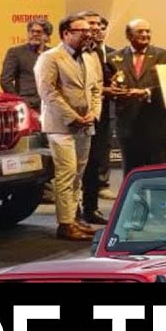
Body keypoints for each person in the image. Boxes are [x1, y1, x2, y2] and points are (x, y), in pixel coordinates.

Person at [34, 14, 101, 240]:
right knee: (66, 173)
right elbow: (48, 92)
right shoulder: (49, 57)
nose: (88, 35)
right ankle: (65, 224)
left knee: (78, 175)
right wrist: (73, 116)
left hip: (86, 125)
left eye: (89, 31)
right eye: (82, 31)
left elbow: (96, 88)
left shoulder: (91, 57)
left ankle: (74, 219)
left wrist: (94, 113)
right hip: (60, 126)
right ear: (66, 33)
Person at [112, 19, 166, 175]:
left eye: (148, 31)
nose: (145, 34)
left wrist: (147, 92)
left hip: (156, 124)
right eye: (140, 31)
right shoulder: (112, 58)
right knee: (131, 172)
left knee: (158, 172)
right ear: (128, 35)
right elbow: (107, 86)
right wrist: (112, 90)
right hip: (127, 125)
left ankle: (158, 193)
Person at [78, 10, 115, 225]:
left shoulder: (100, 53)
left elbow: (99, 86)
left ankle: (91, 209)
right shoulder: (65, 53)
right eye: (91, 23)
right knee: (76, 167)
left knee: (94, 164)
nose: (96, 28)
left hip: (98, 116)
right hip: (75, 117)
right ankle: (72, 213)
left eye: (99, 25)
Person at [0, 19, 52, 112]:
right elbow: (5, 81)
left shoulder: (52, 54)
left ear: (46, 36)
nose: (34, 34)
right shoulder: (16, 52)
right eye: (32, 31)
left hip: (50, 106)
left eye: (38, 32)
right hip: (27, 105)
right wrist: (19, 101)